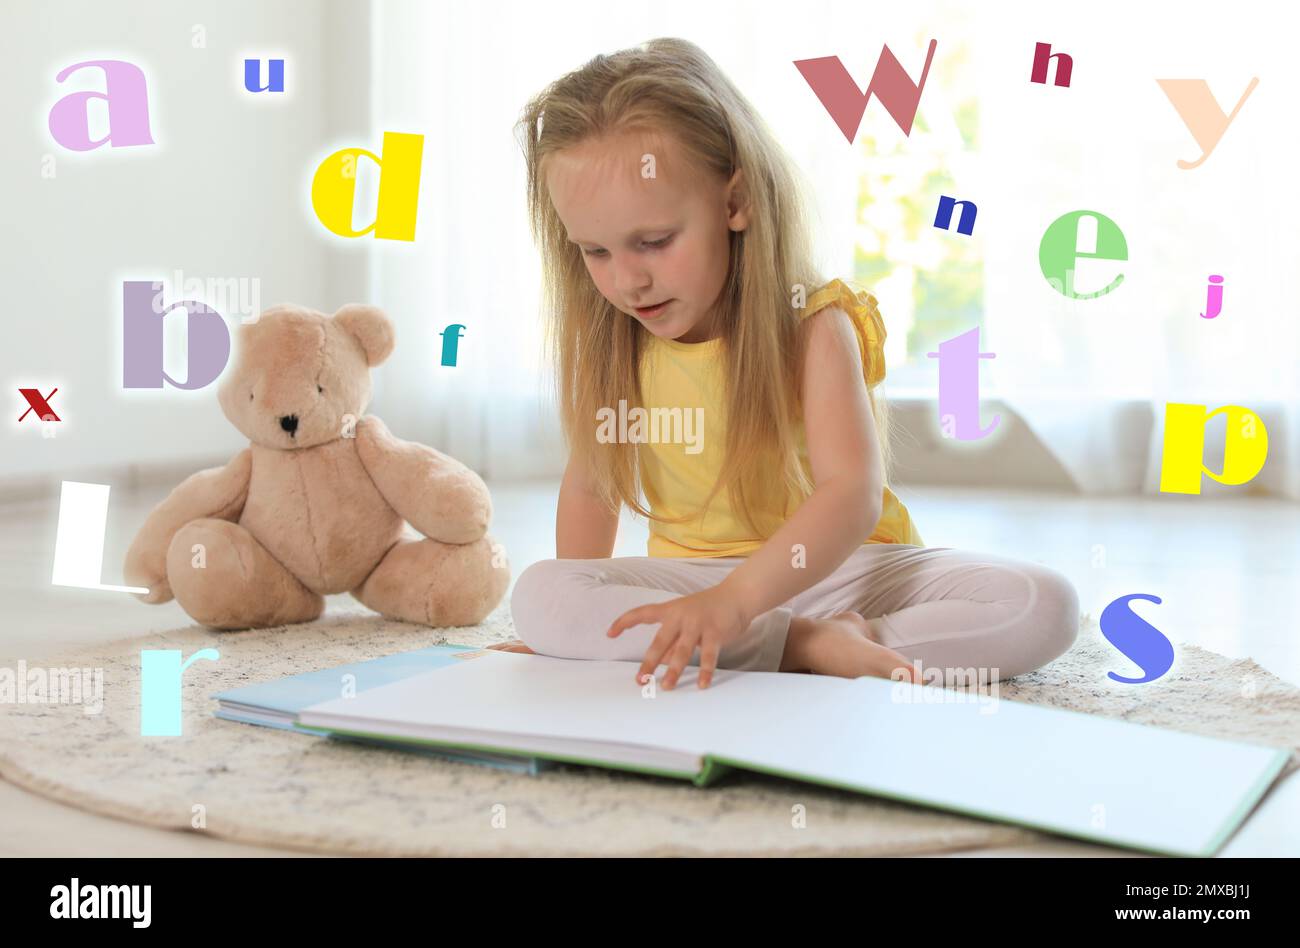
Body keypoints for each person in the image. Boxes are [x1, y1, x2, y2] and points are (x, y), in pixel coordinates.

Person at [491, 37, 1079, 692]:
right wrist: (576, 631)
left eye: (653, 242)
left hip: (848, 570)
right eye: (594, 251)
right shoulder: (620, 339)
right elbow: (593, 486)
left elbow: (849, 495)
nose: (627, 280)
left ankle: (824, 639)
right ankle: (800, 647)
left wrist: (739, 603)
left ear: (735, 202)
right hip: (700, 582)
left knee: (1042, 602)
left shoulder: (815, 325)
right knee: (541, 592)